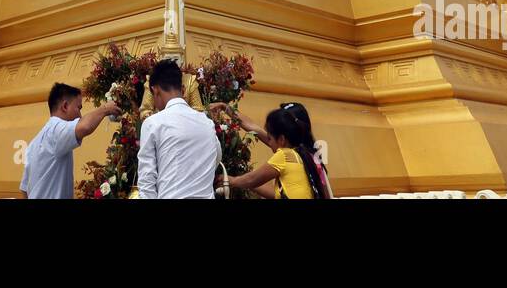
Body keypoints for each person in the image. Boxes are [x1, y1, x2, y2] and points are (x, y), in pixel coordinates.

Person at [210, 99, 334, 198]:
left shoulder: (287, 154)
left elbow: (253, 179)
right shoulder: (299, 154)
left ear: (282, 137)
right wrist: (225, 108)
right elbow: (253, 128)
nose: (268, 139)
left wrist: (234, 180)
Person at [136, 58, 220, 198]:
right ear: (182, 89)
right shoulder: (207, 123)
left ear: (155, 90)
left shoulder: (152, 124)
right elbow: (216, 157)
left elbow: (147, 180)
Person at [19, 82, 119, 198]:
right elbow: (84, 126)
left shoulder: (33, 144)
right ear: (65, 106)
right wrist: (106, 109)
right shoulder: (55, 129)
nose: (80, 115)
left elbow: (24, 189)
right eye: (78, 108)